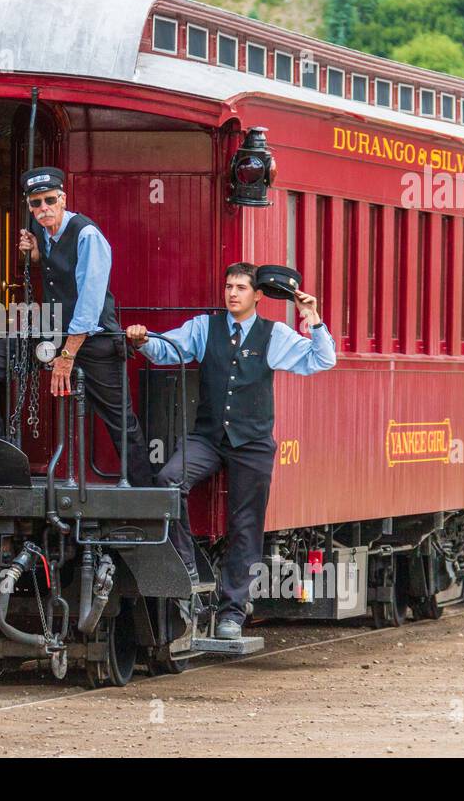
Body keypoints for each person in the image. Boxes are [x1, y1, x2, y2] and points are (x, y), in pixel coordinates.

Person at [125, 261, 336, 639]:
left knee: (246, 526)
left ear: (257, 295)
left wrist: (313, 318)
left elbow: (322, 360)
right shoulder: (205, 327)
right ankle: (187, 568)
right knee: (168, 481)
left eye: (240, 287)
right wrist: (142, 340)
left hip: (252, 443)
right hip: (207, 437)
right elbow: (167, 349)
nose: (232, 293)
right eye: (228, 287)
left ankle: (232, 614)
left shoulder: (275, 334)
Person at [0, 166, 152, 486]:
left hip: (93, 340)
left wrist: (66, 356)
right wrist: (37, 255)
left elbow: (89, 306)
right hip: (52, 334)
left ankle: (149, 497)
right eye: (36, 203)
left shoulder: (87, 235)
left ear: (63, 198)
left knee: (122, 423)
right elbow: (59, 274)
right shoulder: (47, 236)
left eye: (50, 200)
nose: (43, 208)